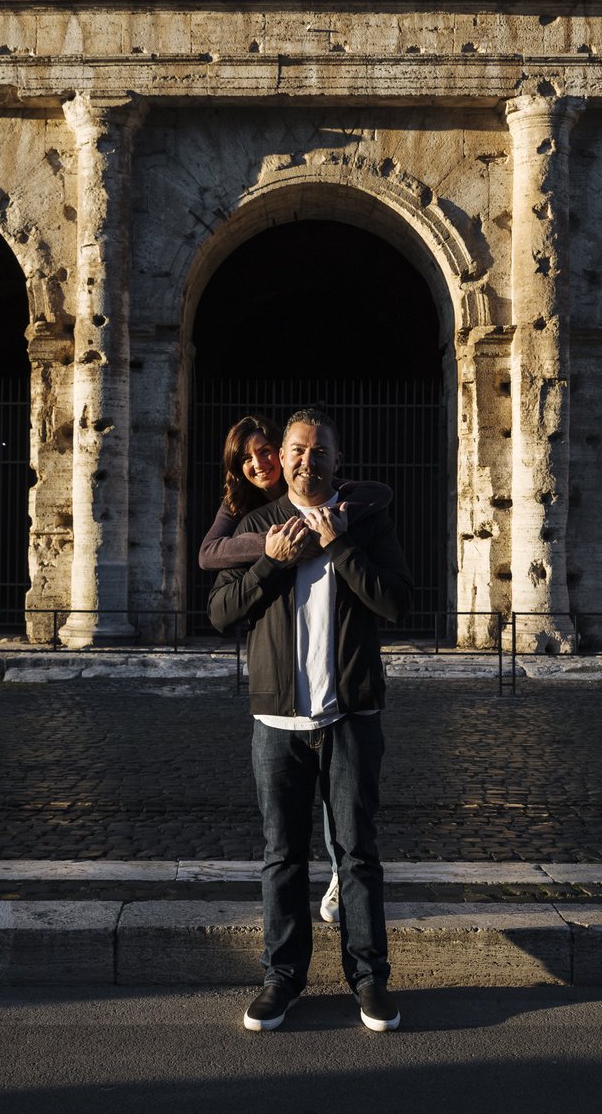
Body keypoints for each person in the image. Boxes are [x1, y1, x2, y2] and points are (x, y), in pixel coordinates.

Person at [209, 409, 413, 1033]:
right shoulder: (259, 525)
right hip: (276, 721)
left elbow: (396, 601)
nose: (306, 460)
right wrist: (270, 560)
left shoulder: (365, 522)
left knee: (357, 854)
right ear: (284, 458)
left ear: (336, 462)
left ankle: (370, 981)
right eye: (297, 450)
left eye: (319, 451)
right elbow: (221, 613)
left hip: (351, 715)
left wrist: (338, 545)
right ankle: (282, 980)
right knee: (283, 858)